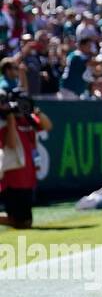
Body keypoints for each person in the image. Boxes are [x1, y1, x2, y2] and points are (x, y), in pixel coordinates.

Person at [0, 90, 52, 229]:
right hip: (13, 176)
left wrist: (35, 112)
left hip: (28, 175)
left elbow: (47, 126)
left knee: (25, 222)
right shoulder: (4, 121)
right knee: (21, 222)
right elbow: (10, 144)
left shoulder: (29, 118)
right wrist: (10, 118)